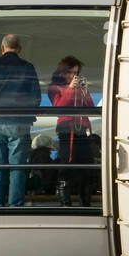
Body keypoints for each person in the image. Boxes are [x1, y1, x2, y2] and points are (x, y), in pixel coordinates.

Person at [0, 33, 41, 208]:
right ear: (19, 48)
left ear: (2, 47)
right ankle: (15, 205)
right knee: (18, 168)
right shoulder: (27, 67)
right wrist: (27, 117)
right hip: (19, 123)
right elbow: (36, 97)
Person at [48, 55, 95, 207]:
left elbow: (91, 109)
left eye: (76, 73)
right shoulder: (55, 88)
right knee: (66, 167)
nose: (73, 76)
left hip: (82, 131)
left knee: (87, 167)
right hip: (66, 131)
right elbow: (59, 106)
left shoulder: (80, 88)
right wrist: (70, 89)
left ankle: (85, 202)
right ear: (62, 73)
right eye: (70, 73)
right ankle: (65, 203)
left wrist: (84, 92)